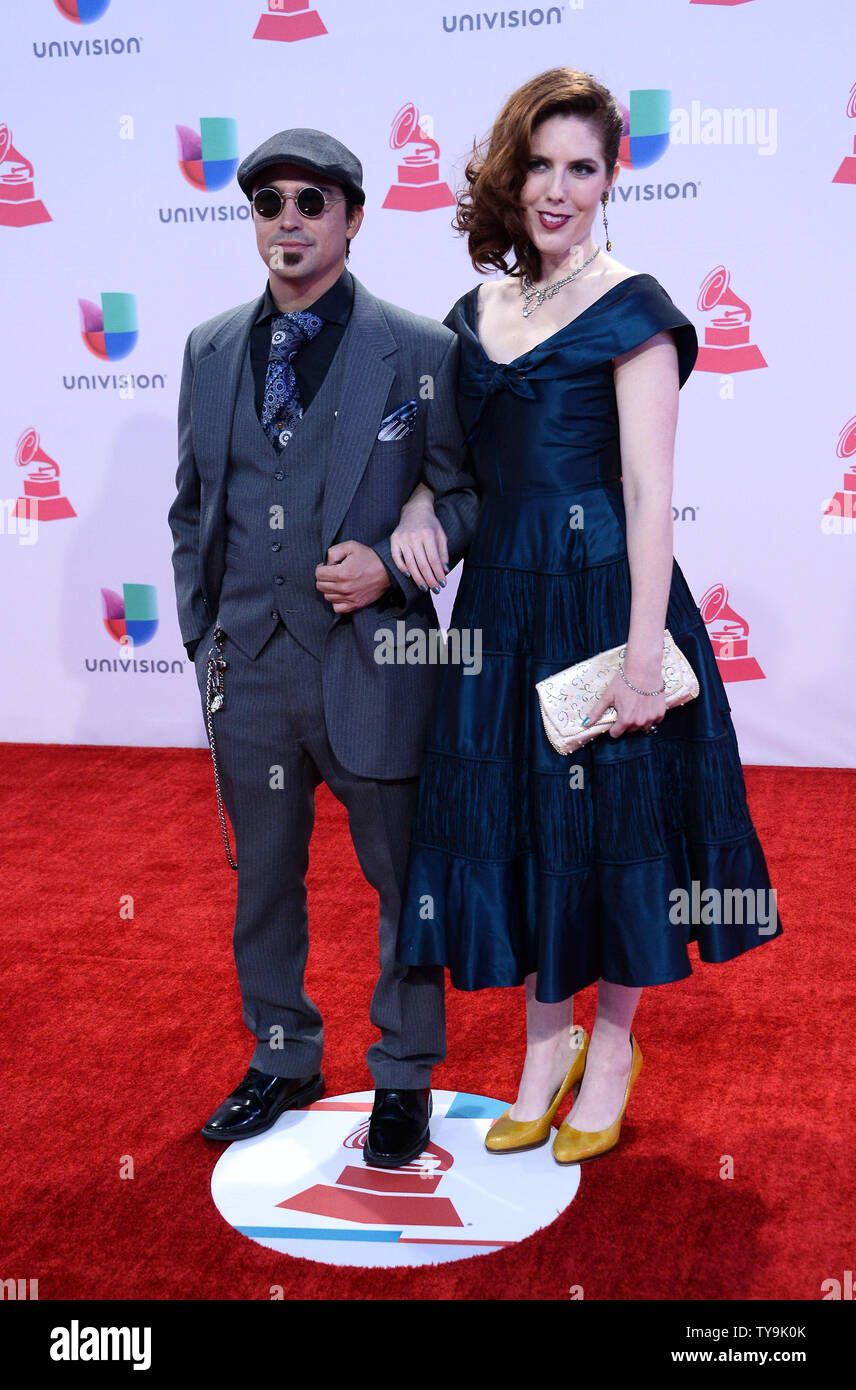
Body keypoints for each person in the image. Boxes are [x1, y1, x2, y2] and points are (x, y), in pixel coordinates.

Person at [392, 69, 782, 1164]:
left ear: (612, 178)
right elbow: (449, 464)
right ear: (510, 172)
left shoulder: (634, 306)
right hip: (504, 598)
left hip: (608, 597)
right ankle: (542, 1045)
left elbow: (653, 491)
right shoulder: (473, 315)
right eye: (539, 165)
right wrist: (422, 502)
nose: (557, 189)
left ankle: (608, 1049)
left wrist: (647, 655)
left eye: (582, 168)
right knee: (523, 828)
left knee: (615, 829)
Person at [168, 128, 478, 1167]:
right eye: (269, 204)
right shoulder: (209, 348)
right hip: (247, 662)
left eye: (311, 201)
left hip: (375, 659)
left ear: (352, 216)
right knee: (262, 876)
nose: (288, 221)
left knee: (401, 875)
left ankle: (402, 1074)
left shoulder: (421, 349)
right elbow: (190, 510)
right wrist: (205, 634)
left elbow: (468, 495)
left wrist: (392, 564)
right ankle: (283, 1051)